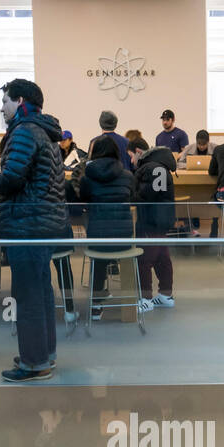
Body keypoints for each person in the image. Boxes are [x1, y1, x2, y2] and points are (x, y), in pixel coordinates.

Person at [0, 78, 68, 384]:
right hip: (41, 223)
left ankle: (34, 364)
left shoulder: (23, 132)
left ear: (20, 102)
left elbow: (12, 179)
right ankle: (44, 354)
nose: (1, 107)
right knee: (41, 293)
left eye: (5, 101)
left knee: (29, 296)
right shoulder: (44, 132)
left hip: (27, 225)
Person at [79, 135, 135, 321]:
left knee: (98, 259)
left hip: (98, 234)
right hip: (124, 237)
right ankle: (130, 309)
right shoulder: (127, 176)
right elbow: (133, 198)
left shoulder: (87, 177)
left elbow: (84, 200)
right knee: (121, 256)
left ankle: (95, 306)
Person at [133, 142, 177, 310]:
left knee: (144, 259)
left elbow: (147, 196)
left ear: (139, 152)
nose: (131, 159)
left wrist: (131, 195)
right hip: (162, 220)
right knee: (162, 258)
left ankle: (145, 299)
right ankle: (166, 295)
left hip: (149, 220)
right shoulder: (161, 168)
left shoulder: (151, 168)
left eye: (132, 155)